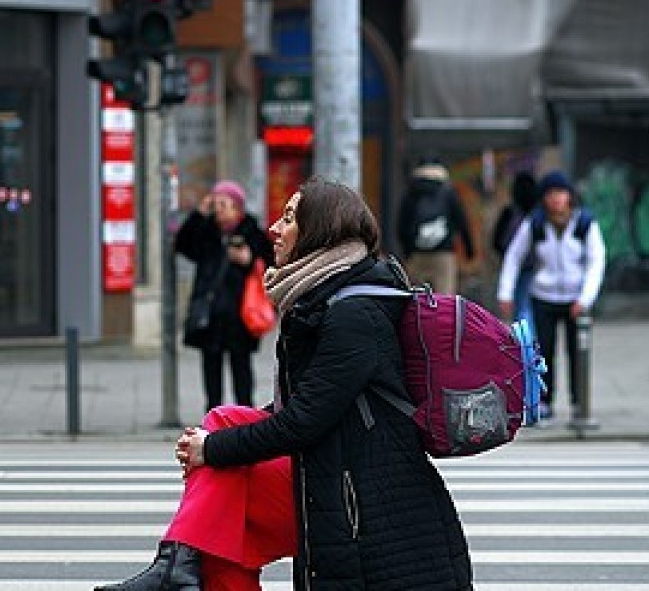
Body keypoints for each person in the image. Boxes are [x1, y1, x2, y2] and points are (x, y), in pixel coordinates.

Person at [98, 179, 473, 591]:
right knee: (223, 486)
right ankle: (178, 561)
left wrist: (213, 448)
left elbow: (303, 421)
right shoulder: (323, 300)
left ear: (320, 231)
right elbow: (303, 405)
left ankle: (176, 563)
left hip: (367, 513)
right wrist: (219, 440)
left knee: (223, 449)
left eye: (290, 218)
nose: (274, 228)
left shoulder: (354, 314)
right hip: (334, 483)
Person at [497, 171, 606, 422]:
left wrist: (585, 298)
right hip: (543, 295)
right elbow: (514, 257)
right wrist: (506, 292)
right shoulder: (534, 224)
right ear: (544, 198)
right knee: (544, 352)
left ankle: (580, 403)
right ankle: (545, 402)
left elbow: (596, 262)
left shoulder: (585, 224)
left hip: (575, 299)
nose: (556, 199)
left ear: (570, 196)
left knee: (578, 351)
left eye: (561, 193)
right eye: (551, 194)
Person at [174, 180, 275, 410]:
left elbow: (271, 263)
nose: (219, 209)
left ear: (237, 207)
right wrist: (199, 214)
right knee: (211, 372)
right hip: (211, 314)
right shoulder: (206, 232)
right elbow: (182, 244)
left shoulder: (252, 232)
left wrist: (249, 260)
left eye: (224, 204)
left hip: (240, 315)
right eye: (216, 204)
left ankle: (245, 416)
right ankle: (213, 416)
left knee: (242, 371)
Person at [396, 159, 475, 293]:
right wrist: (469, 250)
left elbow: (401, 227)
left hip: (417, 255)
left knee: (417, 300)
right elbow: (462, 222)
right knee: (445, 299)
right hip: (444, 255)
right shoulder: (448, 192)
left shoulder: (411, 193)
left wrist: (408, 252)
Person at [491, 171, 540, 322]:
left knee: (520, 305)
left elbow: (497, 240)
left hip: (514, 267)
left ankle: (524, 338)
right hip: (535, 267)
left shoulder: (509, 213)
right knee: (529, 305)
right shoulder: (538, 216)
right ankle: (528, 338)